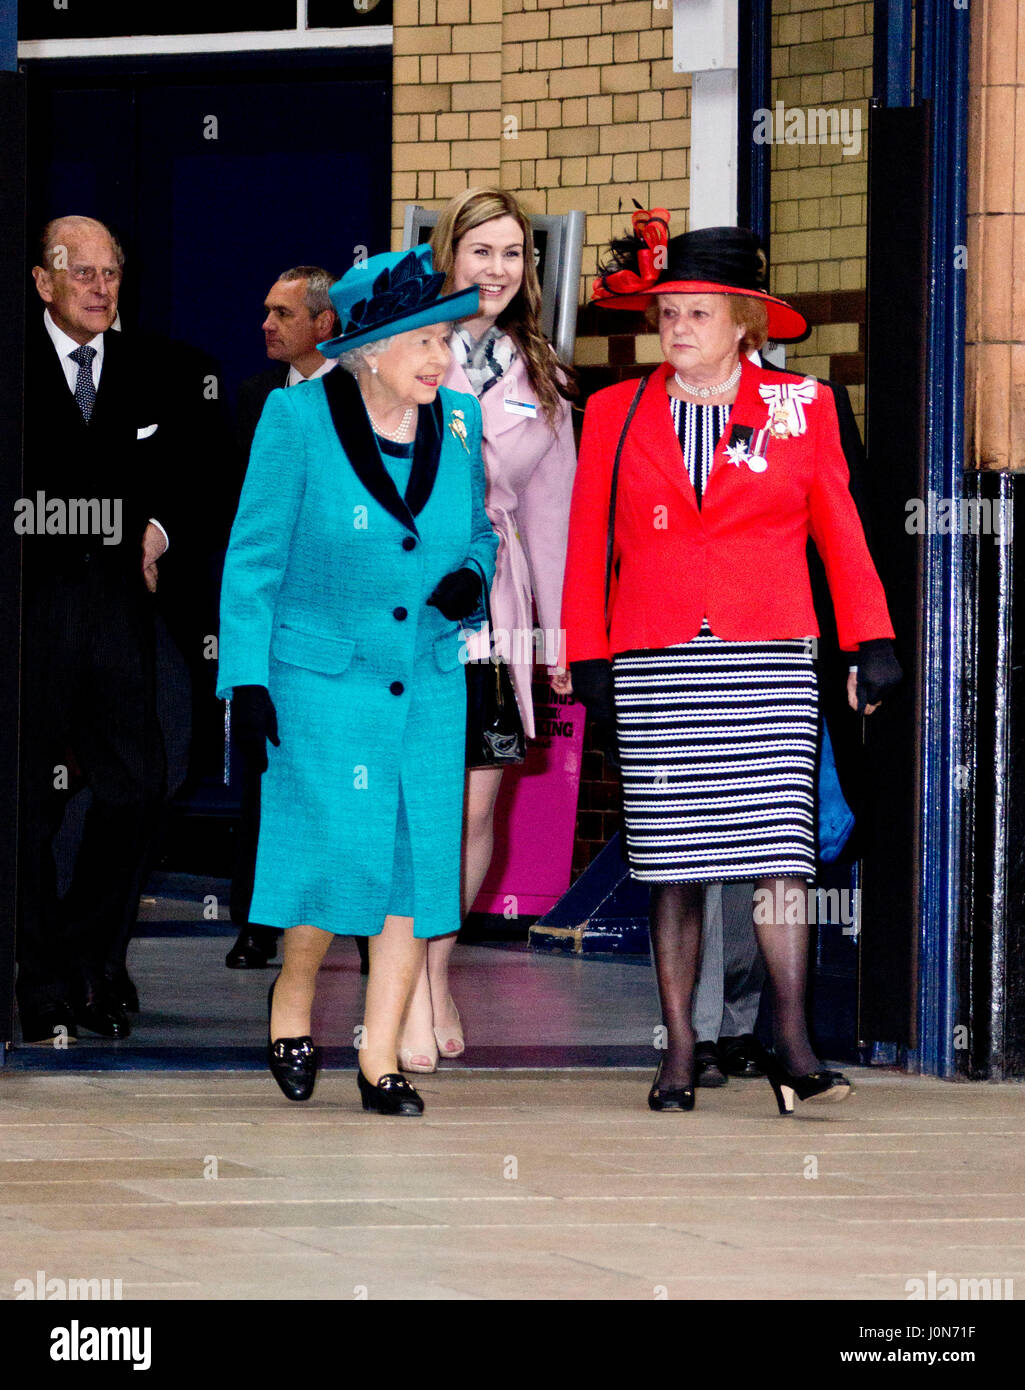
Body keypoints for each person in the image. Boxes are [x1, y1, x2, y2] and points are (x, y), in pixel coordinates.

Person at [562, 212, 902, 1114]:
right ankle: (678, 1049)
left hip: (769, 655)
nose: (677, 327)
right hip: (655, 659)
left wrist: (873, 641)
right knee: (672, 864)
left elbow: (841, 531)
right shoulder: (612, 411)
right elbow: (585, 543)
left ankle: (789, 1040)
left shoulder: (805, 408)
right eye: (668, 311)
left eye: (698, 313)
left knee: (780, 860)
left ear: (743, 324)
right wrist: (585, 652)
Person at [217, 245, 498, 1115]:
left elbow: (479, 532)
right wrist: (247, 677)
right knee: (330, 858)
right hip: (319, 679)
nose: (441, 360)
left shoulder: (459, 423)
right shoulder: (295, 421)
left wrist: (474, 580)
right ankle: (293, 1000)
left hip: (425, 678)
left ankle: (380, 1057)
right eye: (425, 344)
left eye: (446, 342)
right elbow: (253, 558)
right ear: (371, 347)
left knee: (417, 868)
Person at [394, 188, 578, 1073]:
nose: (497, 269)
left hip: (494, 615)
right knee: (416, 805)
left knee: (475, 810)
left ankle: (438, 968)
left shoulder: (540, 371)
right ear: (447, 259)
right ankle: (403, 983)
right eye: (482, 251)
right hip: (410, 599)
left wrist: (554, 636)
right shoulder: (404, 350)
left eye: (512, 254)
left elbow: (551, 518)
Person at [17, 215, 194, 1043]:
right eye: (79, 273)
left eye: (110, 272)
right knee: (29, 808)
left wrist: (151, 534)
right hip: (31, 614)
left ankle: (91, 960)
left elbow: (185, 481)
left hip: (122, 613)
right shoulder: (13, 369)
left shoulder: (155, 370)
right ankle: (41, 974)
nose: (99, 288)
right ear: (42, 282)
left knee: (135, 789)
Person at [226, 265, 339, 971]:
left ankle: (346, 918)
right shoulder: (251, 399)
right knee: (264, 776)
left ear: (325, 324)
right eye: (265, 310)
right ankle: (258, 920)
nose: (266, 325)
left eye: (283, 313)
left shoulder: (363, 396)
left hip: (338, 618)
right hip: (271, 618)